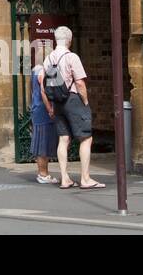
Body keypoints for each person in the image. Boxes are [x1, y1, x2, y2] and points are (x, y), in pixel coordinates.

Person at [44, 26, 105, 190]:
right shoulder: (72, 57)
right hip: (73, 99)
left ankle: (64, 178)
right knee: (86, 138)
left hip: (57, 102)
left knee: (63, 139)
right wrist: (85, 101)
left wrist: (51, 105)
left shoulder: (48, 59)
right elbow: (79, 82)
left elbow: (46, 85)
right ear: (69, 40)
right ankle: (85, 178)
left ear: (56, 40)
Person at [30, 62, 59, 183]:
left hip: (37, 110)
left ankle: (43, 173)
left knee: (42, 143)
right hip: (43, 112)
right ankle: (43, 174)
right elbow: (43, 91)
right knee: (43, 143)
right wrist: (50, 109)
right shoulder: (42, 72)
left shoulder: (34, 71)